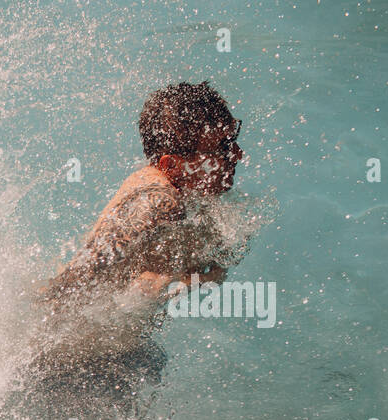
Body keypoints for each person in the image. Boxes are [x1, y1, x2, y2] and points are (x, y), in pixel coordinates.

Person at [38, 82, 245, 371]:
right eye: (221, 148)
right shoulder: (157, 201)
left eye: (233, 139)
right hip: (74, 362)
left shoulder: (168, 189)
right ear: (172, 165)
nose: (237, 154)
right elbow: (78, 278)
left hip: (99, 350)